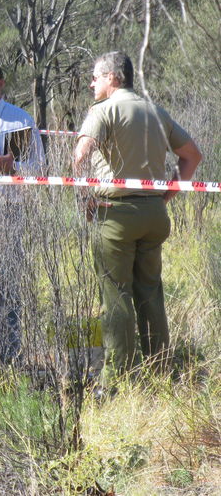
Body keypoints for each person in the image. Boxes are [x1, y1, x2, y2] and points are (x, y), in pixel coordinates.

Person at [73, 51, 202, 386]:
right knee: (150, 292)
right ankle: (159, 371)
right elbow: (192, 155)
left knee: (116, 295)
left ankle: (118, 380)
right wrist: (166, 195)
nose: (92, 83)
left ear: (113, 77)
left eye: (96, 77)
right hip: (153, 214)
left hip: (115, 215)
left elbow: (80, 153)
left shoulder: (104, 110)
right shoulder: (156, 112)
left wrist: (85, 197)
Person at [0, 56, 45, 365]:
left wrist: (14, 166)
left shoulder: (19, 120)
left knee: (9, 286)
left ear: (1, 82)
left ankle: (10, 357)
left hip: (8, 211)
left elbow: (38, 168)